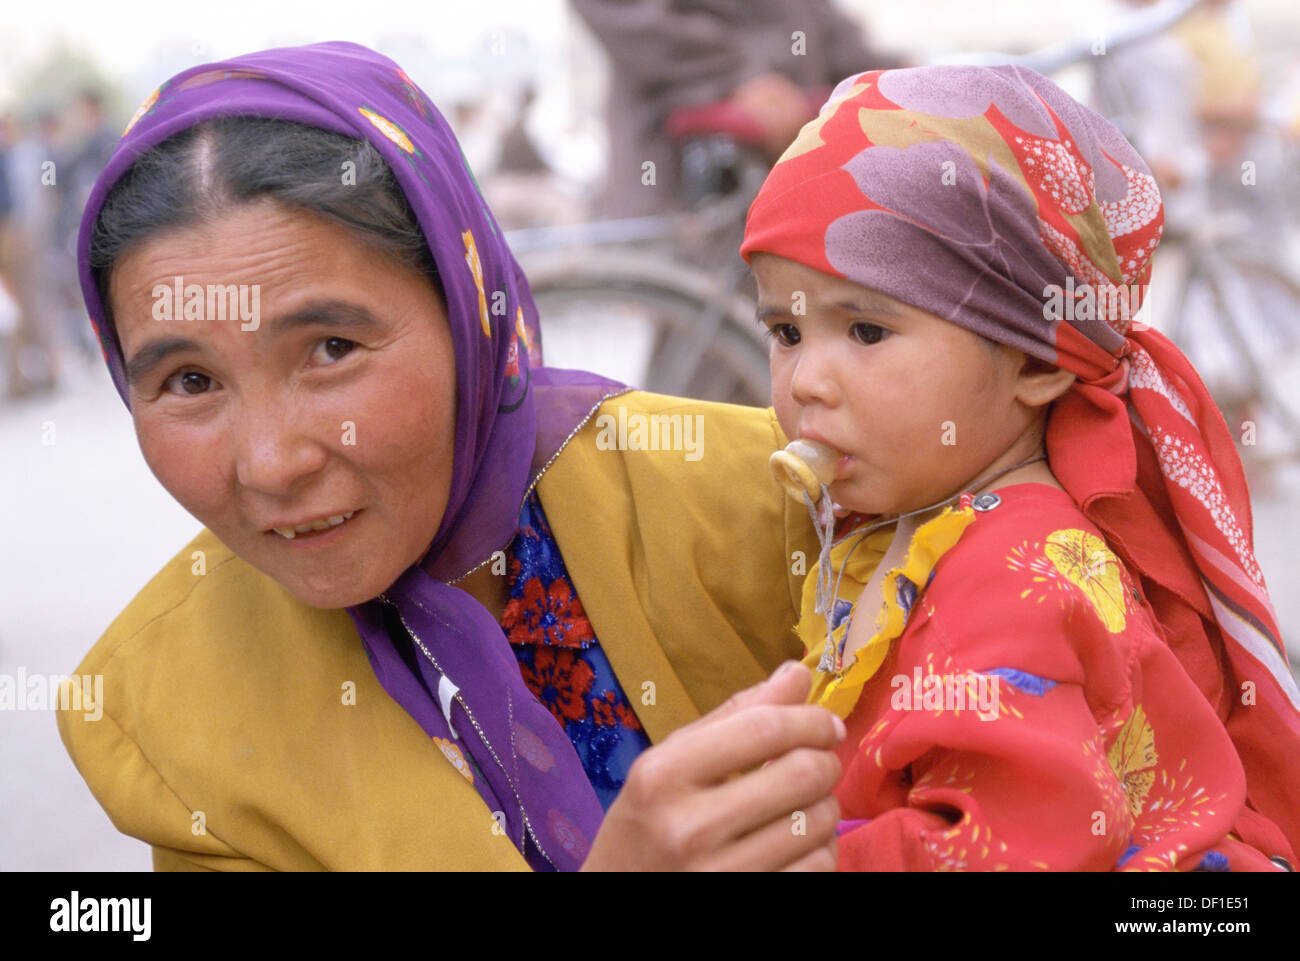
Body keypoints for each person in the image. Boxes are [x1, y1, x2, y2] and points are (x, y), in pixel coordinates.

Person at [56, 41, 846, 872]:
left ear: (467, 311)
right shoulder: (175, 718)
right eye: (189, 381)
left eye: (331, 347)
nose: (270, 464)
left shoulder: (783, 509)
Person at [740, 65, 1300, 870]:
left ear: (1038, 360)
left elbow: (1013, 844)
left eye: (864, 331)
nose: (805, 380)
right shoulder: (917, 515)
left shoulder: (1012, 579)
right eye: (785, 331)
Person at [571, 0, 901, 216]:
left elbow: (825, 28)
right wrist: (735, 76)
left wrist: (898, 77)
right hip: (687, 161)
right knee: (703, 305)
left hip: (797, 161)